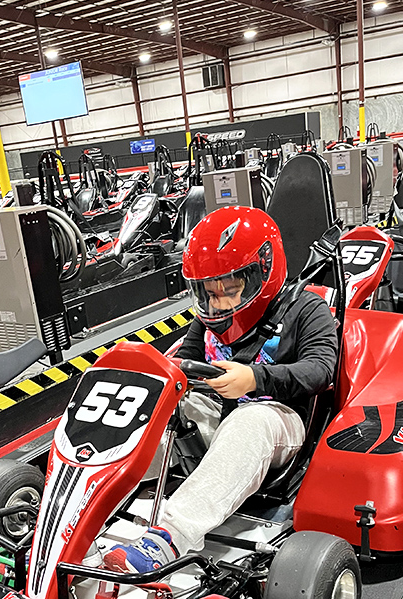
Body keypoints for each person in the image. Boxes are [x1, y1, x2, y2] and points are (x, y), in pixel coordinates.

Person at [102, 204, 338, 574]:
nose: (218, 303)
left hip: (280, 418)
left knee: (251, 421)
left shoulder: (306, 309)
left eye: (229, 289)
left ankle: (168, 537)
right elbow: (186, 362)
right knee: (155, 408)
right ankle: (89, 508)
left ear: (263, 271)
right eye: (208, 292)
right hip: (218, 412)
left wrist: (255, 378)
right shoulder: (208, 318)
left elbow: (321, 369)